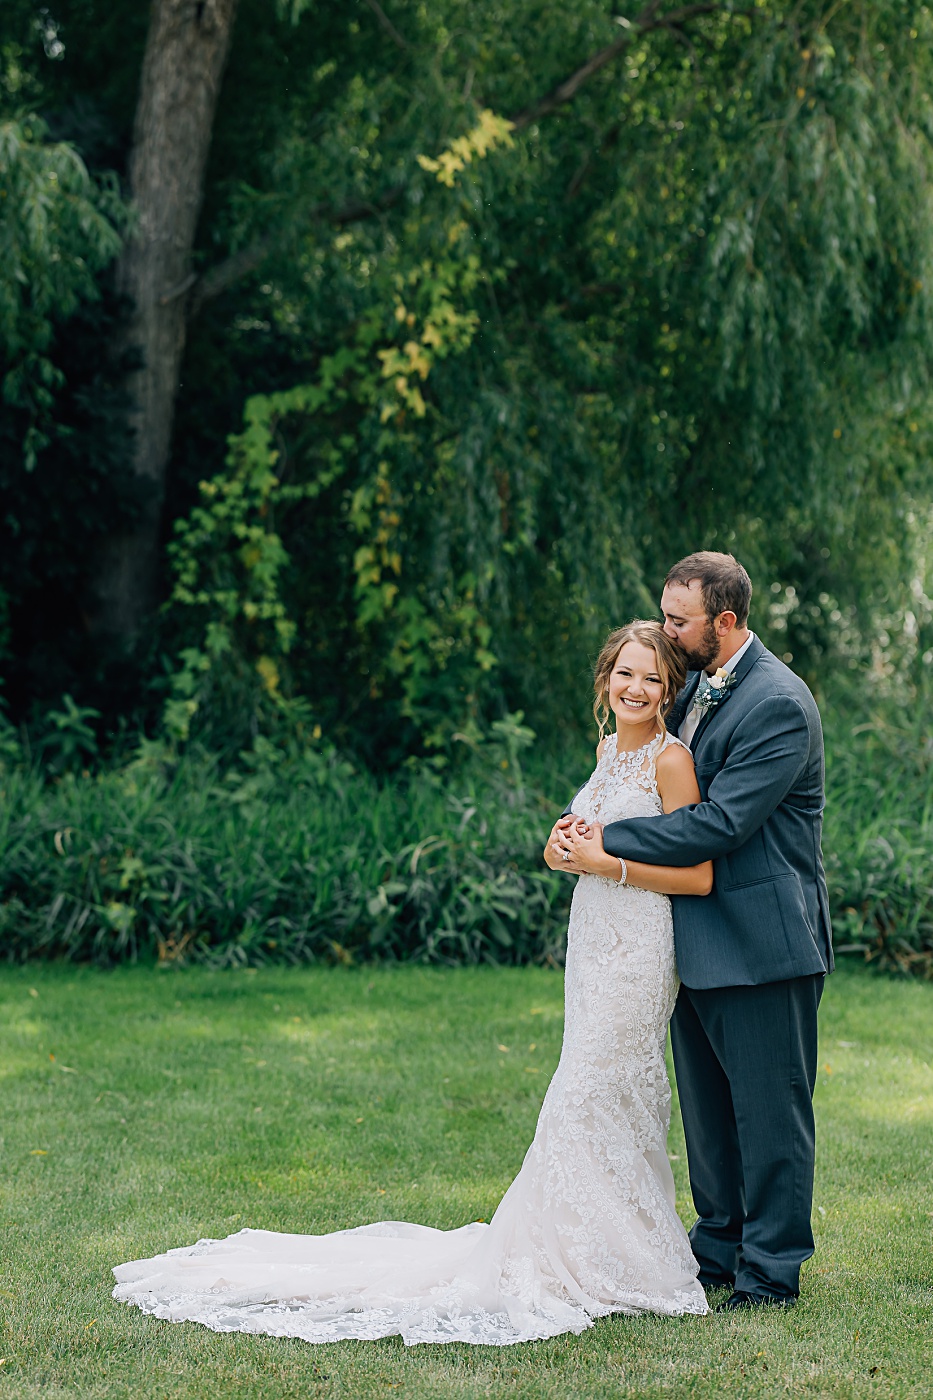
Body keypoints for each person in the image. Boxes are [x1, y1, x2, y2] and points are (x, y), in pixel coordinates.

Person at [113, 620, 713, 1345]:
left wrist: (605, 865)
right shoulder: (603, 748)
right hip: (590, 941)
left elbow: (697, 873)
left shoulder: (671, 761)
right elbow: (580, 839)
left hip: (639, 946)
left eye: (650, 677)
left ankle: (609, 1255)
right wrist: (560, 853)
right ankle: (595, 1246)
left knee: (598, 1086)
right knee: (591, 1084)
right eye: (624, 673)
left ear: (668, 687)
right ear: (604, 679)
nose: (635, 688)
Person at [553, 552, 833, 1310]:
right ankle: (716, 1251)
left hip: (762, 944)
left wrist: (606, 842)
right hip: (687, 942)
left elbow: (720, 823)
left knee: (770, 1117)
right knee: (710, 1118)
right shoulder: (696, 691)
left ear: (726, 622)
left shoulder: (777, 702)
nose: (668, 633)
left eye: (679, 621)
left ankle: (770, 1273)